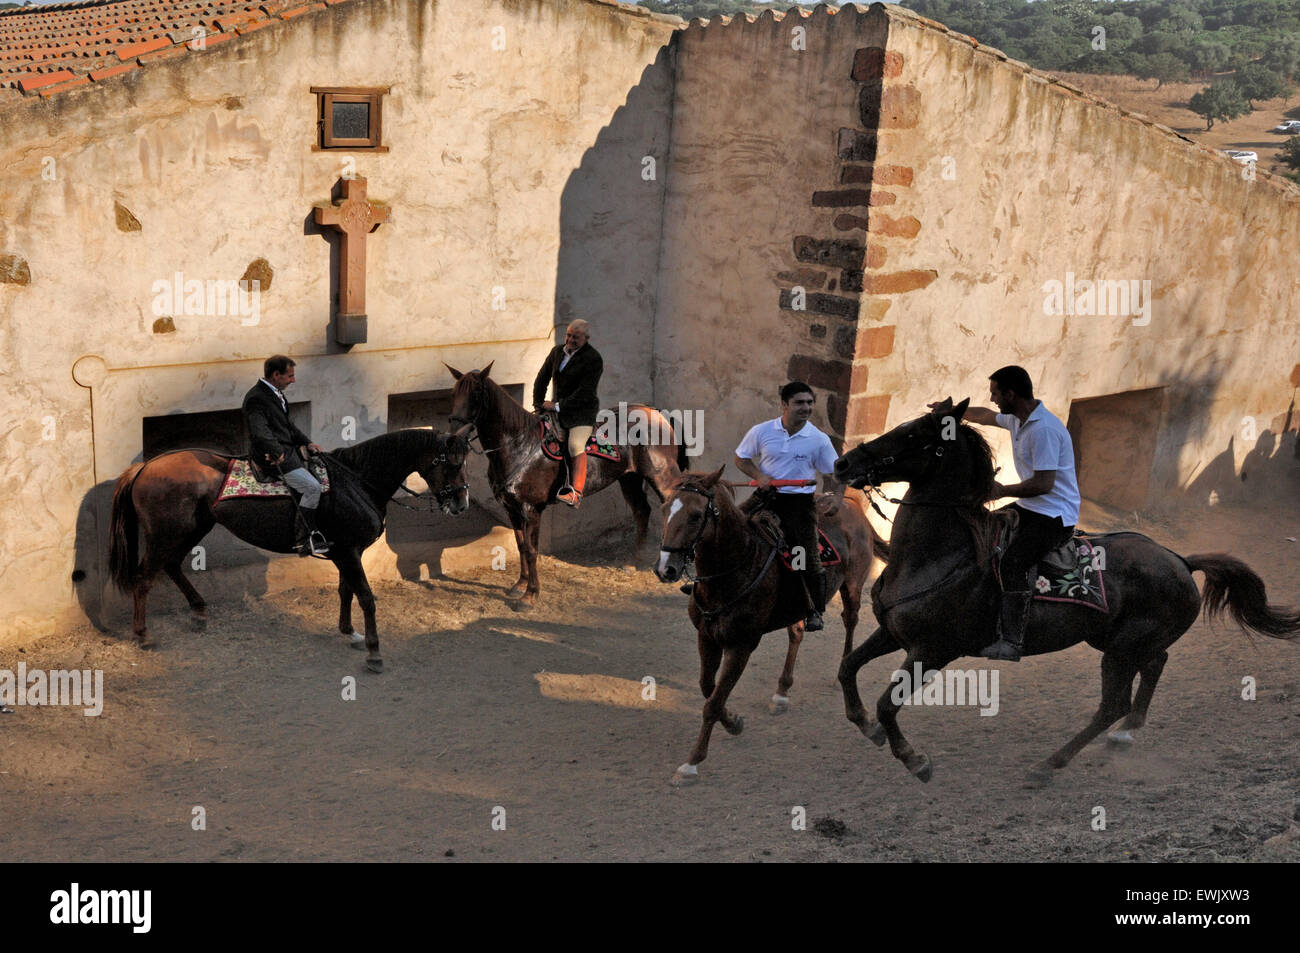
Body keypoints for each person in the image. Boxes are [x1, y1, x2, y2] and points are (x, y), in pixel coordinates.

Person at [951, 365, 1080, 661]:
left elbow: (1044, 484)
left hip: (1054, 515)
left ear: (1011, 394)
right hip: (1030, 507)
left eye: (996, 392)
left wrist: (1002, 491)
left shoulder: (1044, 430)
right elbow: (984, 415)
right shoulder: (1018, 419)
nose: (992, 398)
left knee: (1013, 563)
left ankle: (1012, 640)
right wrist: (952, 413)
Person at [733, 381, 841, 631]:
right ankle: (701, 583)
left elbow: (833, 473)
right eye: (800, 403)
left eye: (810, 403)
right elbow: (741, 458)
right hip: (764, 497)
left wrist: (834, 496)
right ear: (784, 404)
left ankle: (814, 609)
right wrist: (760, 477)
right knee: (727, 526)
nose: (806, 408)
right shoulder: (761, 431)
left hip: (798, 504)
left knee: (808, 555)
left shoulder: (818, 439)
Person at [242, 355, 330, 557]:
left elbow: (287, 426)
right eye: (290, 376)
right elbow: (259, 432)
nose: (293, 380)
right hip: (272, 458)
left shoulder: (275, 393)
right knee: (312, 487)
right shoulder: (257, 398)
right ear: (276, 375)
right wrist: (277, 452)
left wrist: (307, 442)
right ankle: (305, 539)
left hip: (287, 451)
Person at [532, 320, 603, 507]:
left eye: (576, 337)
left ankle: (575, 492)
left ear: (586, 339)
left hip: (581, 413)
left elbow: (585, 392)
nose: (570, 340)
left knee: (575, 444)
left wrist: (557, 406)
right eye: (569, 335)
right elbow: (542, 378)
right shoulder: (557, 352)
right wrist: (538, 403)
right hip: (554, 409)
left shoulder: (593, 359)